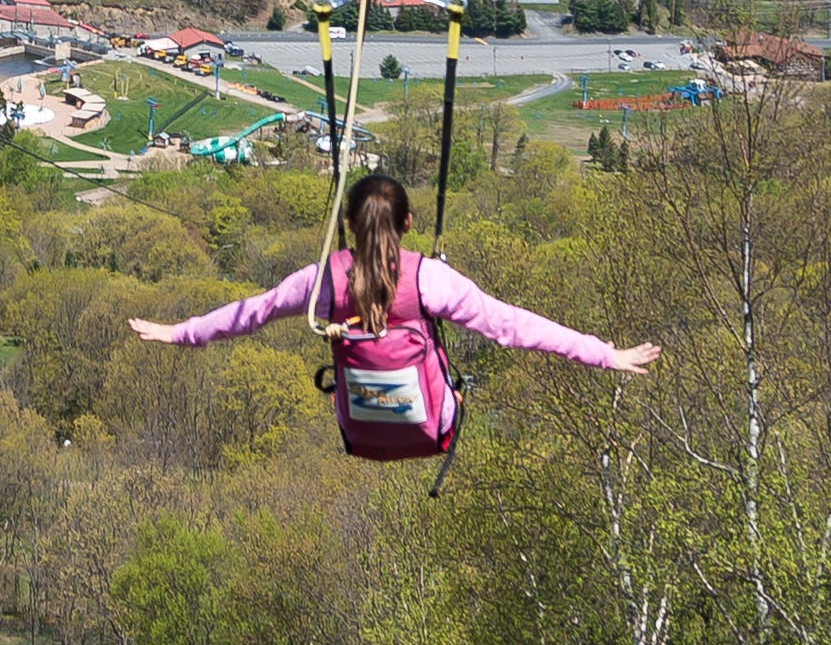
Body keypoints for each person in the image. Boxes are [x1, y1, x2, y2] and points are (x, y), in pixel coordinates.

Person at [128, 173, 657, 458]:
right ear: (408, 223)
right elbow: (513, 326)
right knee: (455, 374)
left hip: (359, 427)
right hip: (432, 425)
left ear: (350, 225)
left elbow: (251, 313)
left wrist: (180, 333)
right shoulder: (430, 279)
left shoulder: (323, 282)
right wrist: (605, 354)